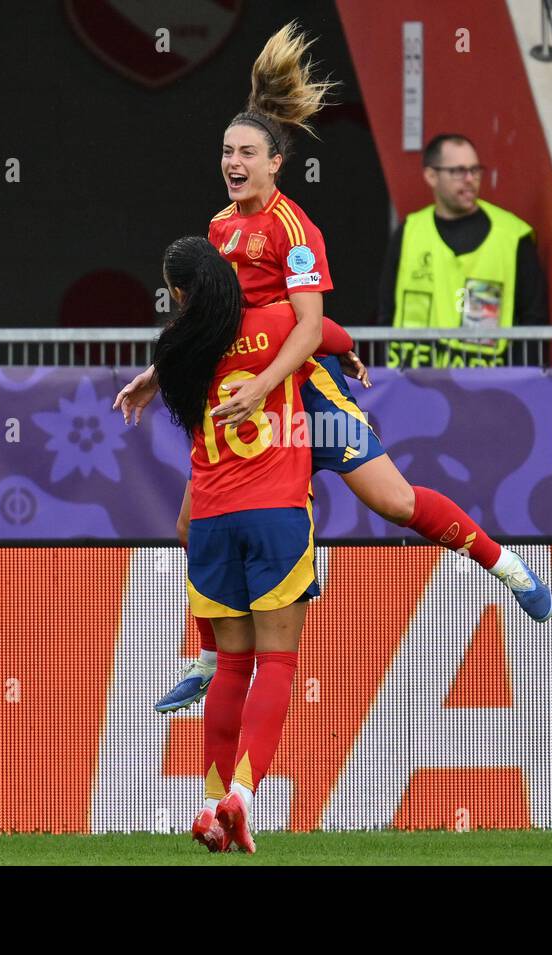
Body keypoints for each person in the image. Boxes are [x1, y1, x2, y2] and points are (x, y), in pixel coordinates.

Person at [115, 22, 552, 715]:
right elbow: (210, 320)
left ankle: (504, 564)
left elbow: (307, 325)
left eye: (246, 152)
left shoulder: (295, 232)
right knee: (189, 527)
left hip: (301, 394)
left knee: (395, 502)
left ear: (275, 163)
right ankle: (207, 659)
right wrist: (158, 370)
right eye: (227, 151)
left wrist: (282, 374)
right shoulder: (219, 229)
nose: (233, 162)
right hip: (249, 402)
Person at [153, 235, 349, 854]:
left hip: (212, 521)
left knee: (232, 666)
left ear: (179, 294)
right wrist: (349, 352)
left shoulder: (177, 348)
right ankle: (241, 796)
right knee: (277, 663)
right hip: (275, 512)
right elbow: (327, 333)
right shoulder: (276, 321)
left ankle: (209, 807)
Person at [377, 133, 548, 368]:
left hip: (487, 385)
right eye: (458, 171)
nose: (470, 179)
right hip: (415, 382)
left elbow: (533, 320)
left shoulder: (512, 236)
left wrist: (519, 380)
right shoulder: (409, 232)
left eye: (475, 170)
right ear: (431, 176)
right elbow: (386, 312)